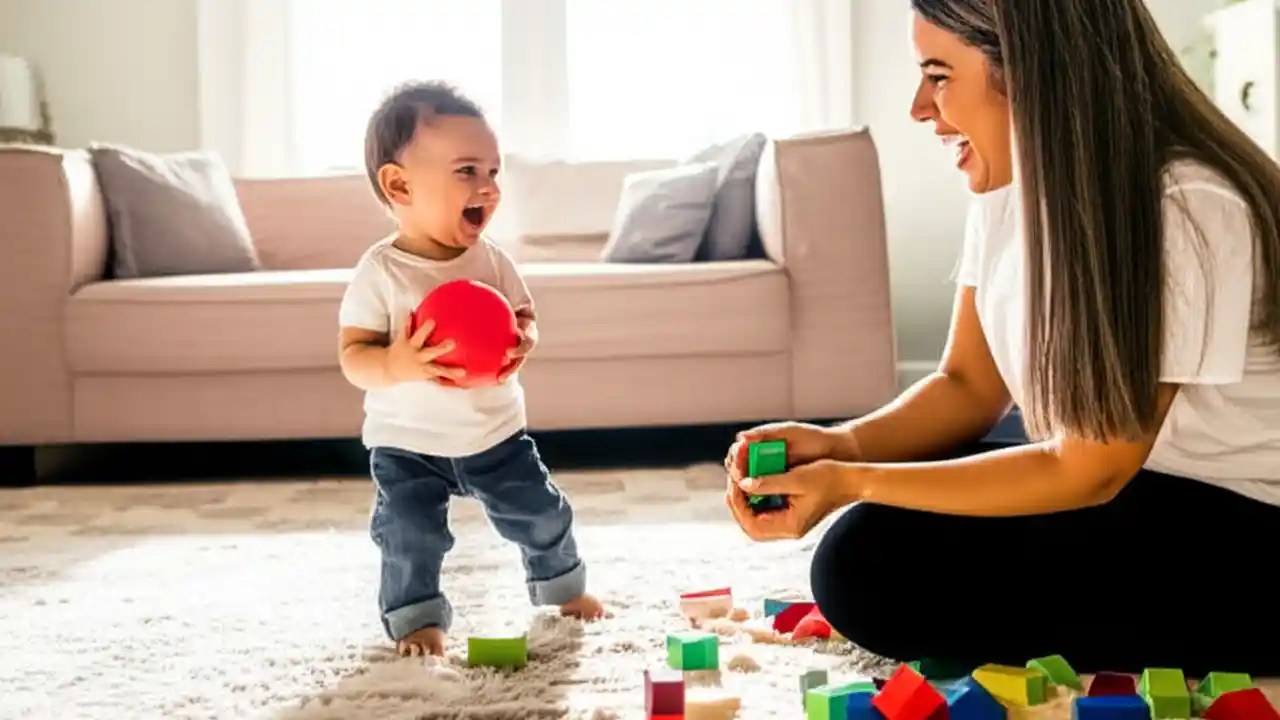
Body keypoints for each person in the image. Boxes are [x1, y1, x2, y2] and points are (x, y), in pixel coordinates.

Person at [724, 0, 1280, 677]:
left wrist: (853, 480)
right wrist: (842, 443)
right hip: (1123, 473)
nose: (919, 108)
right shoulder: (1010, 183)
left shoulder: (1185, 205)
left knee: (866, 566)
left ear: (1030, 72)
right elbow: (969, 385)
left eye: (938, 75)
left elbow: (1091, 467)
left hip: (1242, 521)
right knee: (881, 539)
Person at [338, 80, 603, 657]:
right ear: (399, 184)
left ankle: (561, 586)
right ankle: (416, 620)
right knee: (408, 536)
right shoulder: (381, 272)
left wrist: (523, 338)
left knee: (539, 513)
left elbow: (524, 315)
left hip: (493, 432)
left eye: (493, 171)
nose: (487, 186)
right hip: (407, 443)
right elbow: (353, 355)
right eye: (466, 171)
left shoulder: (492, 260)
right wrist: (396, 360)